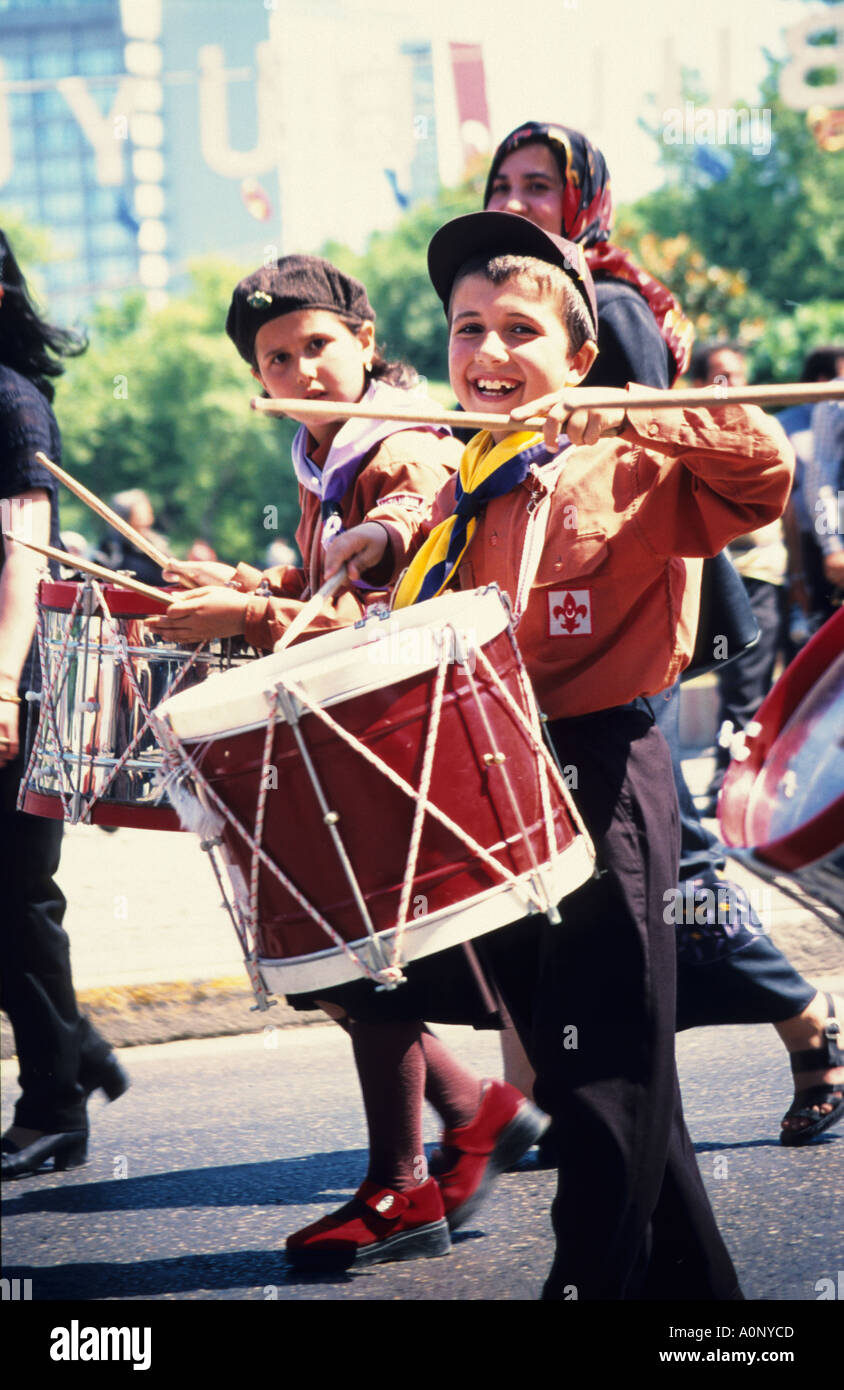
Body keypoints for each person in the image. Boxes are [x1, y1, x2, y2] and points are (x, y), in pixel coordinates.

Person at [330, 209, 797, 1298]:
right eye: (465, 328)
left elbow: (761, 472)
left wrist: (629, 410)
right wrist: (356, 557)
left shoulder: (637, 461)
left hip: (607, 782)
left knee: (604, 1086)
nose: (487, 354)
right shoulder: (465, 477)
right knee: (603, 1074)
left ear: (578, 356)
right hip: (498, 788)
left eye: (519, 332)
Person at [148, 254, 547, 1266]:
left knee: (362, 968)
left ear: (365, 345)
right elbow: (326, 581)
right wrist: (248, 579)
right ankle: (475, 1111)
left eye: (318, 346)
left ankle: (402, 1183)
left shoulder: (397, 440)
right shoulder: (317, 451)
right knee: (351, 971)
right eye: (275, 357)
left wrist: (248, 613)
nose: (301, 369)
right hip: (360, 741)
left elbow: (393, 572)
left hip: (408, 736)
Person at [480, 121, 843, 1150]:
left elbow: (707, 467)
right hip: (548, 651)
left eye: (538, 185)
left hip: (631, 626)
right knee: (603, 887)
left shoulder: (609, 309)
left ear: (584, 198)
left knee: (672, 877)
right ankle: (571, 1096)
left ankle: (801, 1029)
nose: (514, 203)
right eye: (500, 184)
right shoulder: (507, 307)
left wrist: (615, 414)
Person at [0, 230, 128, 1182]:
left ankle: (53, 1108)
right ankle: (74, 1047)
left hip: (13, 677)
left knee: (19, 901)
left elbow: (27, 556)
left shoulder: (11, 405)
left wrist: (3, 684)